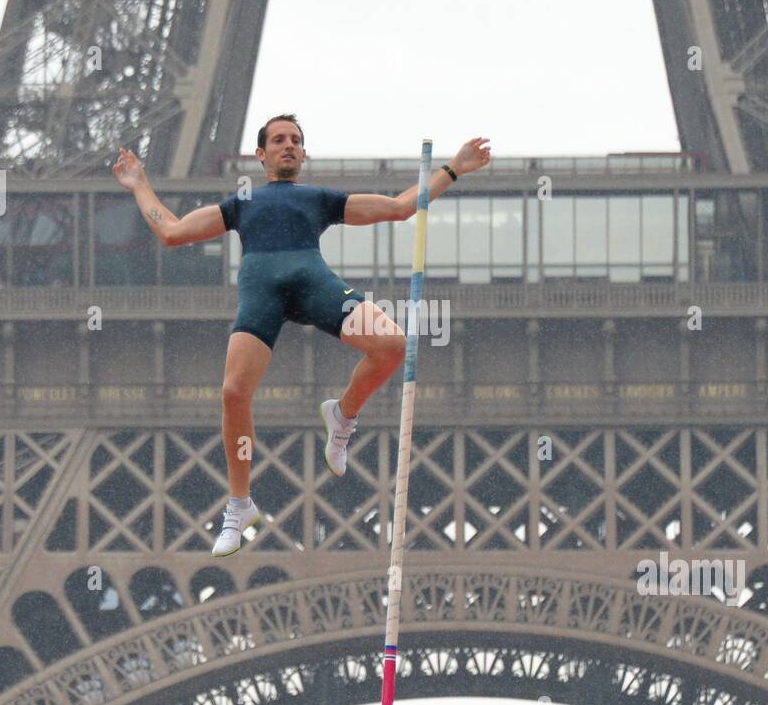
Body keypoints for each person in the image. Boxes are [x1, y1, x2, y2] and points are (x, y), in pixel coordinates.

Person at [112, 114, 491, 556]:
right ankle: (240, 505)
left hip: (314, 284)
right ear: (261, 154)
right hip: (261, 293)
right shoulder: (243, 203)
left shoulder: (318, 199)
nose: (287, 145)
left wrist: (454, 168)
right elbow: (172, 233)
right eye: (278, 139)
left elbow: (401, 207)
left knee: (391, 345)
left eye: (295, 140)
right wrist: (139, 184)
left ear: (304, 153)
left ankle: (343, 416)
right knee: (234, 392)